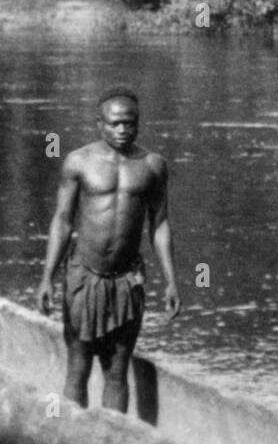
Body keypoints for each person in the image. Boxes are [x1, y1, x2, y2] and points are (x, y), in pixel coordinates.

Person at [37, 88, 181, 412]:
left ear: (138, 124)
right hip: (83, 277)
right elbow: (61, 221)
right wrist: (46, 278)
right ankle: (72, 438)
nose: (122, 130)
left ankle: (114, 440)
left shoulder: (153, 166)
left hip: (126, 281)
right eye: (115, 123)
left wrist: (172, 281)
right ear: (99, 124)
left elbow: (159, 225)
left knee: (117, 371)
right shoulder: (79, 162)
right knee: (79, 364)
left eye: (129, 124)